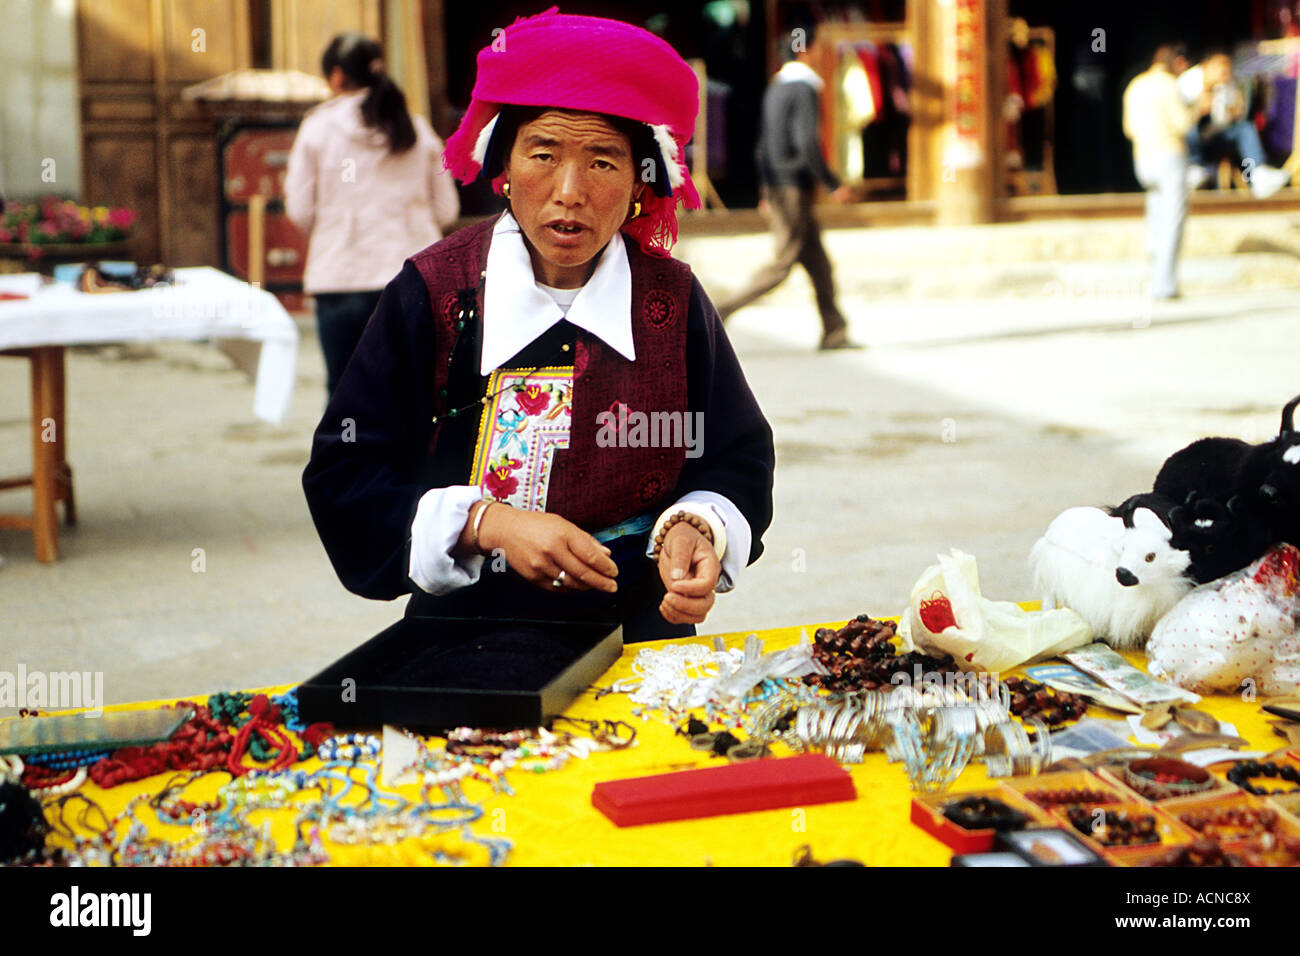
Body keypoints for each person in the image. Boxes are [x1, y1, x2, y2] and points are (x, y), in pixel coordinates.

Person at [301, 11, 776, 644]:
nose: (569, 190)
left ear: (642, 181)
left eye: (603, 162)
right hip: (466, 640)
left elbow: (734, 456)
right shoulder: (434, 293)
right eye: (543, 154)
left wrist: (698, 525)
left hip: (638, 635)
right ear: (503, 167)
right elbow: (346, 477)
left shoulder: (673, 301)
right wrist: (487, 525)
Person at [286, 33, 460, 397]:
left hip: (340, 278)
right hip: (414, 278)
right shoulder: (417, 127)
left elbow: (299, 209)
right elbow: (447, 209)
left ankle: (351, 455)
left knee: (345, 393)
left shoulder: (317, 127)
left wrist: (334, 232)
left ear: (336, 76)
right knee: (414, 392)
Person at [714, 22, 859, 350]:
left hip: (779, 185)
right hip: (794, 186)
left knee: (818, 261)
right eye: (817, 47)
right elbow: (807, 141)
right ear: (804, 50)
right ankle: (718, 311)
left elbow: (762, 144)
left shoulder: (777, 86)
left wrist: (765, 189)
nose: (821, 53)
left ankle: (834, 330)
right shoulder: (803, 87)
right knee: (782, 264)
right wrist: (833, 183)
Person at [1121, 44, 1208, 301]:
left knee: (1156, 216)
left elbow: (1129, 128)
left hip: (1142, 157)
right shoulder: (1168, 85)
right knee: (1172, 221)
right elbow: (1181, 124)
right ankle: (1165, 285)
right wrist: (1198, 109)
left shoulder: (1135, 85)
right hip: (1168, 155)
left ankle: (1157, 274)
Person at [1176, 51, 1292, 198]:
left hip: (1216, 137)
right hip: (1189, 143)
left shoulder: (1227, 83)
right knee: (1188, 127)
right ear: (1206, 65)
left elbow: (1229, 117)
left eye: (1227, 66)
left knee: (1245, 128)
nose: (1225, 70)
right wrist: (1198, 108)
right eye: (1220, 65)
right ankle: (1194, 169)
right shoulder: (1187, 82)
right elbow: (1178, 120)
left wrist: (1235, 109)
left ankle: (1257, 173)